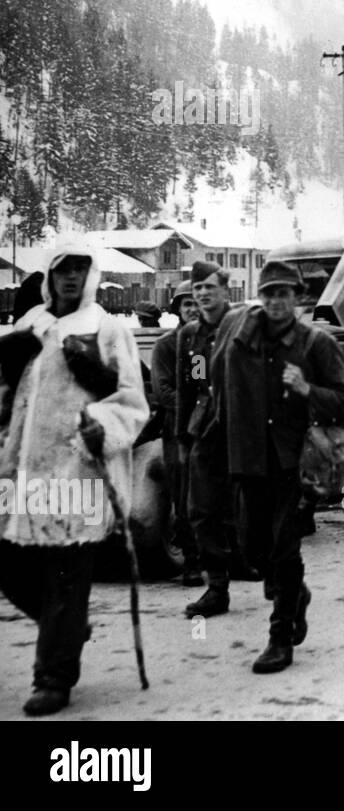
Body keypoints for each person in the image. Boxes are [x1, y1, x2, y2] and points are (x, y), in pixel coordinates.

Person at [0, 247, 150, 715]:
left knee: (67, 573)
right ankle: (64, 625)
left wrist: (100, 424)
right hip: (25, 469)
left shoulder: (107, 329)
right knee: (8, 560)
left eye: (80, 269)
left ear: (92, 275)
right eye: (63, 268)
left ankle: (54, 677)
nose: (71, 277)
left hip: (79, 472)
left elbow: (131, 400)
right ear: (50, 274)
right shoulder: (31, 325)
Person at [208, 260, 344, 673]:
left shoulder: (314, 344)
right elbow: (218, 383)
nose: (275, 301)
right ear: (259, 295)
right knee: (254, 549)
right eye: (268, 293)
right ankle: (296, 595)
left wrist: (306, 389)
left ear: (299, 298)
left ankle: (280, 636)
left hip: (295, 463)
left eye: (283, 294)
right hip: (248, 457)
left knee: (284, 549)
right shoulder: (239, 334)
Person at [177, 261, 238, 619]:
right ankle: (217, 588)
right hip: (205, 428)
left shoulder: (245, 326)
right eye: (197, 289)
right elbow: (192, 386)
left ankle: (275, 577)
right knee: (200, 509)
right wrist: (184, 436)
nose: (201, 294)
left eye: (209, 287)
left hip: (241, 427)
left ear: (225, 291)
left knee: (248, 507)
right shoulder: (191, 335)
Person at [152, 283, 202, 586]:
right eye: (187, 305)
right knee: (183, 498)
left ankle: (226, 559)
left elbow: (205, 386)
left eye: (197, 303)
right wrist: (192, 416)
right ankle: (192, 563)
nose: (193, 309)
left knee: (212, 496)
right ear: (177, 310)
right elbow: (163, 390)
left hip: (205, 429)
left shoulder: (203, 344)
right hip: (178, 432)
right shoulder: (167, 346)